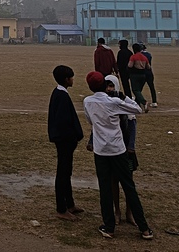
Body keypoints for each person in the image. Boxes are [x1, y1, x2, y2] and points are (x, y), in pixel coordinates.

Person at [83, 71, 153, 240]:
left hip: (101, 151)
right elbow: (137, 109)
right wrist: (123, 97)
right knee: (129, 186)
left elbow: (90, 121)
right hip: (117, 150)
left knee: (105, 189)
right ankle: (144, 228)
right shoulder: (113, 102)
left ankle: (109, 227)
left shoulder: (87, 101)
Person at [48, 65, 85, 221]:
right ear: (66, 79)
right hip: (64, 140)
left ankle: (69, 203)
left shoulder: (60, 93)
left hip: (65, 139)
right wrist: (73, 137)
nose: (73, 80)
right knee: (63, 173)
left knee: (67, 171)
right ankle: (61, 208)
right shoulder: (61, 96)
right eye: (71, 77)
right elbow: (63, 121)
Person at [104, 74, 138, 226]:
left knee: (128, 180)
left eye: (111, 85)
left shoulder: (125, 102)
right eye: (107, 86)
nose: (109, 89)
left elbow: (132, 124)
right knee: (113, 181)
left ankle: (129, 212)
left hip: (126, 150)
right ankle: (116, 210)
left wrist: (131, 146)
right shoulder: (104, 102)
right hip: (111, 149)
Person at [128, 44, 151, 113]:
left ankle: (144, 102)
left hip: (135, 75)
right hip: (143, 75)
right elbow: (148, 67)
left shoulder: (133, 57)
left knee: (135, 90)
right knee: (139, 92)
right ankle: (137, 106)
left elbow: (130, 65)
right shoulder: (144, 57)